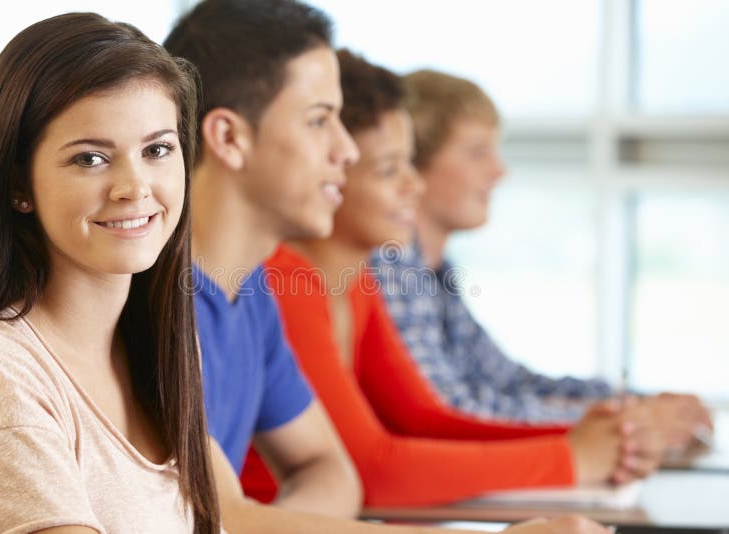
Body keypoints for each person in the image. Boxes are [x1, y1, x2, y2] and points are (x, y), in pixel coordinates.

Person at [165, 1, 611, 533]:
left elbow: (333, 473)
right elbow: (222, 519)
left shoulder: (255, 290)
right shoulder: (156, 300)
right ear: (229, 138)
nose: (346, 149)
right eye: (318, 121)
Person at [244, 49, 663, 508]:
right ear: (333, 174)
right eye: (389, 170)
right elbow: (374, 468)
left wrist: (595, 438)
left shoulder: (357, 282)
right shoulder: (287, 285)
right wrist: (571, 458)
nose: (415, 185)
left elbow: (423, 417)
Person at [0, 13, 220, 534]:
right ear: (19, 184)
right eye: (90, 159)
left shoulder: (163, 349)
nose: (134, 186)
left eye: (157, 149)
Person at [370, 69, 712, 447]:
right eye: (478, 152)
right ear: (413, 163)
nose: (499, 172)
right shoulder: (391, 263)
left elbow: (506, 380)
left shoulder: (433, 270)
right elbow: (450, 408)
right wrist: (629, 423)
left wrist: (633, 404)